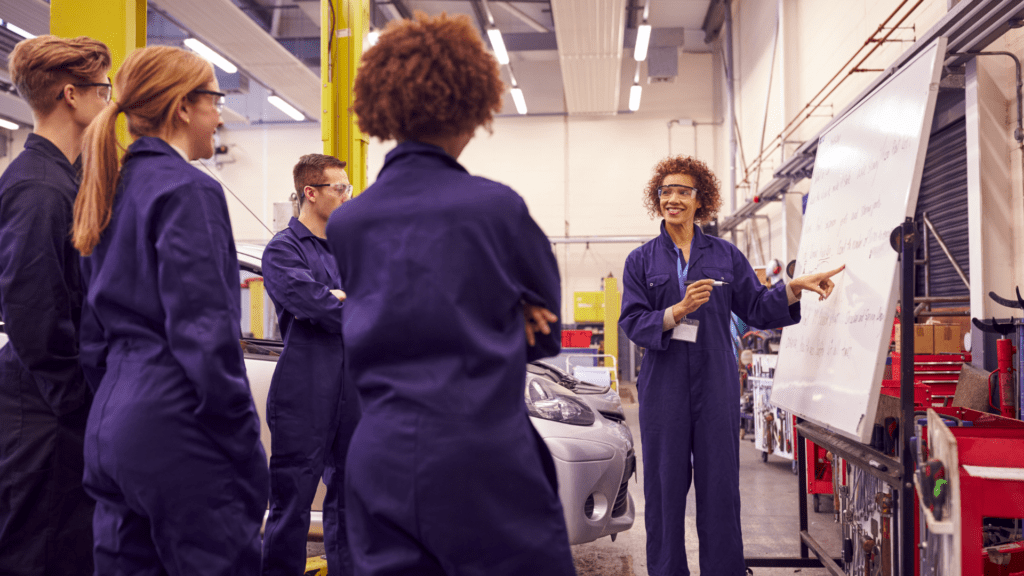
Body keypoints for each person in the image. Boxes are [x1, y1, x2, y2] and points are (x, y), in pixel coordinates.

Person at [325, 12, 575, 576]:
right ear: (470, 107)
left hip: (379, 455)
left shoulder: (349, 222)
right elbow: (548, 333)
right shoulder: (497, 208)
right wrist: (508, 316)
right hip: (480, 453)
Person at [72, 45, 268, 575]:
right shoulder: (189, 190)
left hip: (113, 430)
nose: (220, 114)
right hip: (180, 432)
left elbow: (91, 339)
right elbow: (206, 335)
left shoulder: (108, 189)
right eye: (216, 99)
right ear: (183, 107)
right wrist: (242, 446)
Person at [619, 155, 844, 576]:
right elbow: (631, 321)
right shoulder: (641, 261)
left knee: (719, 486)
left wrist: (792, 288)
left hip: (715, 380)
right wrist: (677, 310)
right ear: (658, 199)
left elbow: (757, 306)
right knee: (665, 488)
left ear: (699, 199)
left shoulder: (725, 255)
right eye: (665, 191)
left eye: (682, 191)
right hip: (663, 381)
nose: (673, 198)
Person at [0, 35, 111, 576]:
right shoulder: (41, 190)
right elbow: (35, 315)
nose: (111, 102)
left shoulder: (61, 179)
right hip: (45, 412)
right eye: (104, 89)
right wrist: (79, 404)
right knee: (41, 552)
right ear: (73, 94)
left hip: (52, 405)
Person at [261, 153, 359, 576]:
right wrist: (338, 301)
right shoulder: (283, 250)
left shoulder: (349, 250)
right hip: (304, 392)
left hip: (353, 392)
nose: (347, 196)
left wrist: (342, 300)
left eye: (348, 188)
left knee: (352, 502)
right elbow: (317, 307)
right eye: (340, 188)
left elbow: (378, 304)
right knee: (292, 503)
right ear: (311, 193)